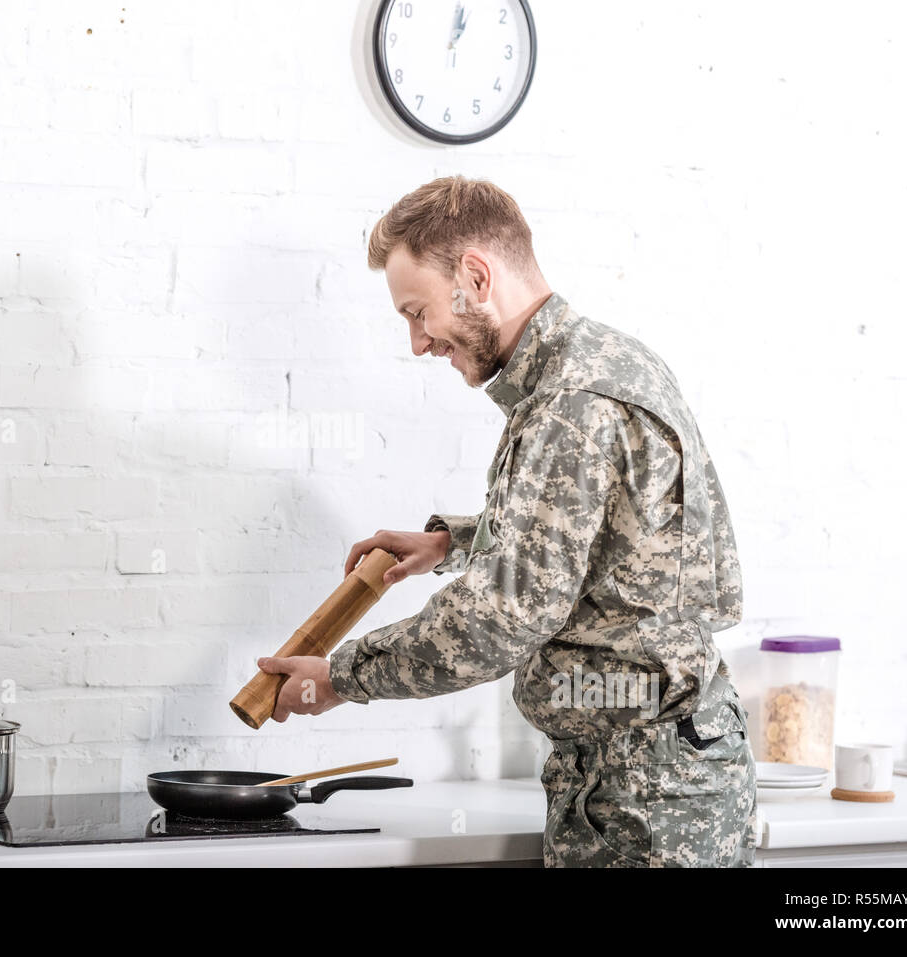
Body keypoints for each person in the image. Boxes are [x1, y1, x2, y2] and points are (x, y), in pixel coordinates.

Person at [257, 176, 758, 867]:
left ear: (475, 276)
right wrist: (452, 542)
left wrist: (338, 678)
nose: (417, 342)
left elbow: (498, 618)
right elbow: (598, 544)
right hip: (647, 772)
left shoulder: (571, 401)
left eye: (418, 311)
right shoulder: (600, 361)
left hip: (647, 796)